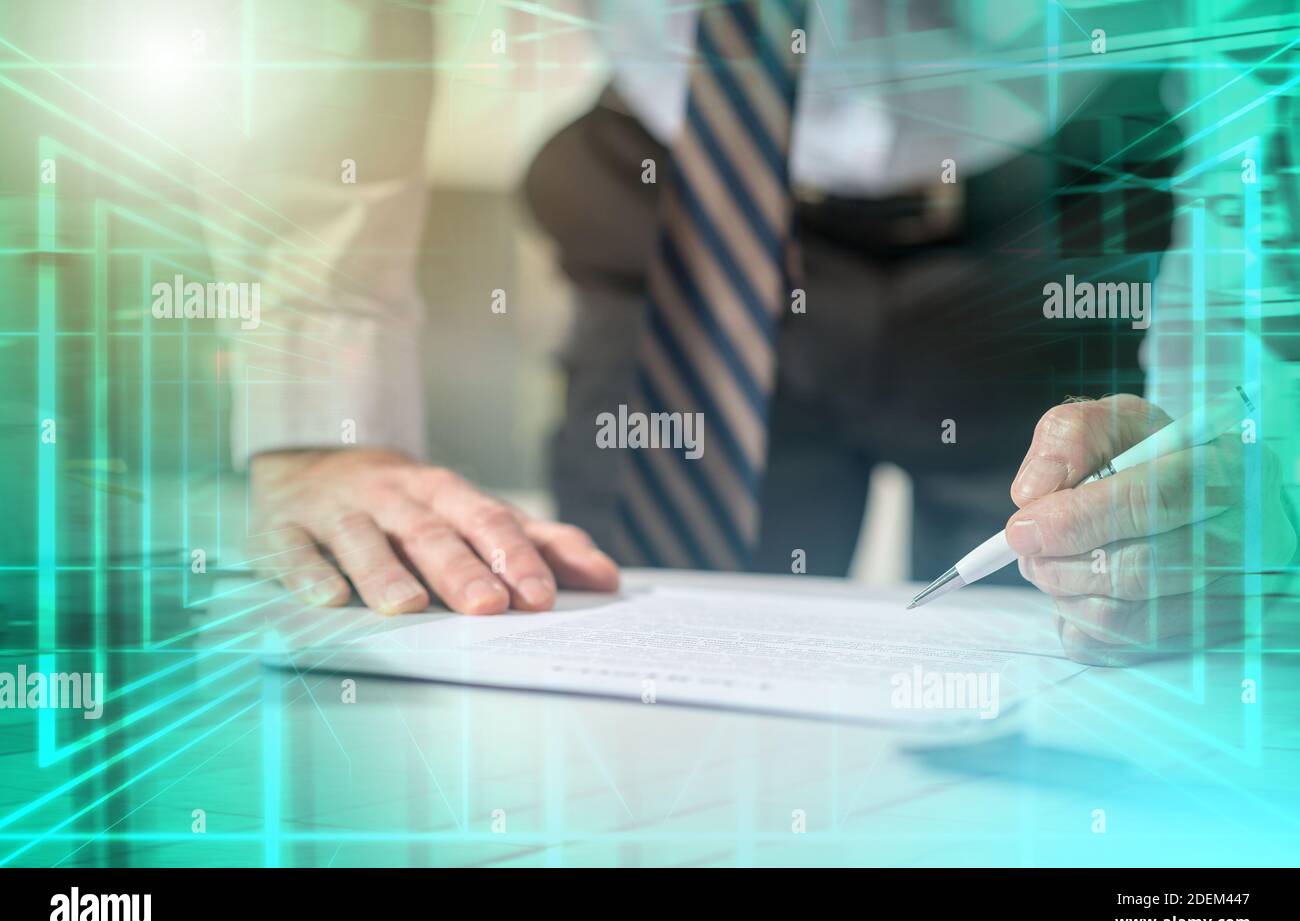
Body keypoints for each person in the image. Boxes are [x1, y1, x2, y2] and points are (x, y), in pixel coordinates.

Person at [205, 0, 1296, 664]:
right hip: (679, 205)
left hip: (1071, 213)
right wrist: (319, 420)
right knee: (626, 693)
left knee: (1108, 632)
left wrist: (1274, 429)